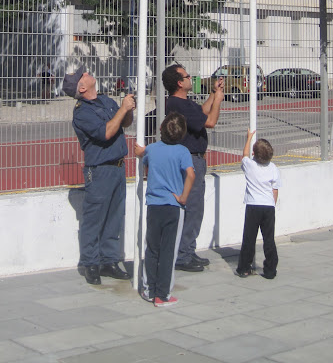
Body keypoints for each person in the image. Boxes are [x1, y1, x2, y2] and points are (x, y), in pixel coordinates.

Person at [63, 66, 136, 286]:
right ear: (82, 87)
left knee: (114, 216)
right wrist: (123, 109)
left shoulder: (105, 101)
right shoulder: (82, 112)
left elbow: (124, 123)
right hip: (100, 169)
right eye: (82, 76)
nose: (86, 73)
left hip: (117, 166)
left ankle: (109, 260)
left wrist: (128, 108)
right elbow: (105, 133)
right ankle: (90, 263)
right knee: (94, 219)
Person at [162, 63, 225, 272]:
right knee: (194, 207)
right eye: (187, 76)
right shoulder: (177, 104)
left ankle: (187, 250)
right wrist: (218, 101)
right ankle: (183, 254)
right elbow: (210, 121)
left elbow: (201, 113)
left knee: (192, 207)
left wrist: (213, 94)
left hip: (191, 159)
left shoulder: (182, 103)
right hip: (190, 160)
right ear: (180, 83)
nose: (191, 78)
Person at [135, 112, 195, 307]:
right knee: (169, 250)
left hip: (154, 204)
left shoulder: (152, 149)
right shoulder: (183, 152)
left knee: (152, 247)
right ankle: (162, 294)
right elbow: (191, 175)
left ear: (161, 129)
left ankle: (149, 289)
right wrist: (183, 198)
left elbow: (145, 162)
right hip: (173, 206)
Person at [236, 129, 280, 280]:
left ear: (254, 154)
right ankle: (270, 270)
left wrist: (249, 138)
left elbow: (244, 155)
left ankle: (244, 268)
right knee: (269, 239)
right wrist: (272, 204)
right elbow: (275, 189)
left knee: (249, 238)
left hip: (253, 205)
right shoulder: (273, 168)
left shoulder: (249, 166)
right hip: (268, 206)